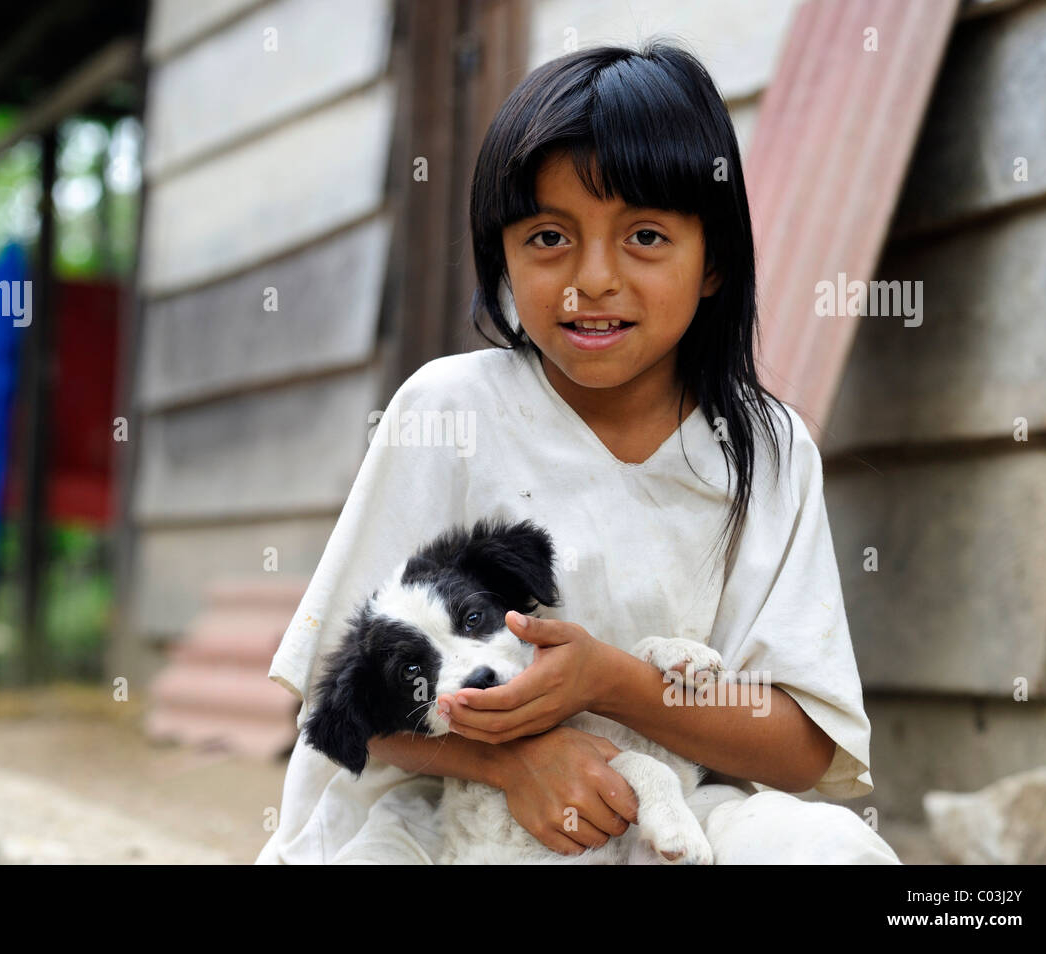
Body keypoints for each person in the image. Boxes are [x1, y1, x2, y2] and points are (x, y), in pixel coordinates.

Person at [255, 39, 900, 864]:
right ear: (502, 260)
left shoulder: (768, 453)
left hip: (671, 822)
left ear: (714, 263)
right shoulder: (447, 411)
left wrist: (614, 682)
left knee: (834, 852)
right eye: (551, 236)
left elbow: (806, 746)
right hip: (436, 821)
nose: (592, 278)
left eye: (645, 236)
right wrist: (513, 758)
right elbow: (338, 694)